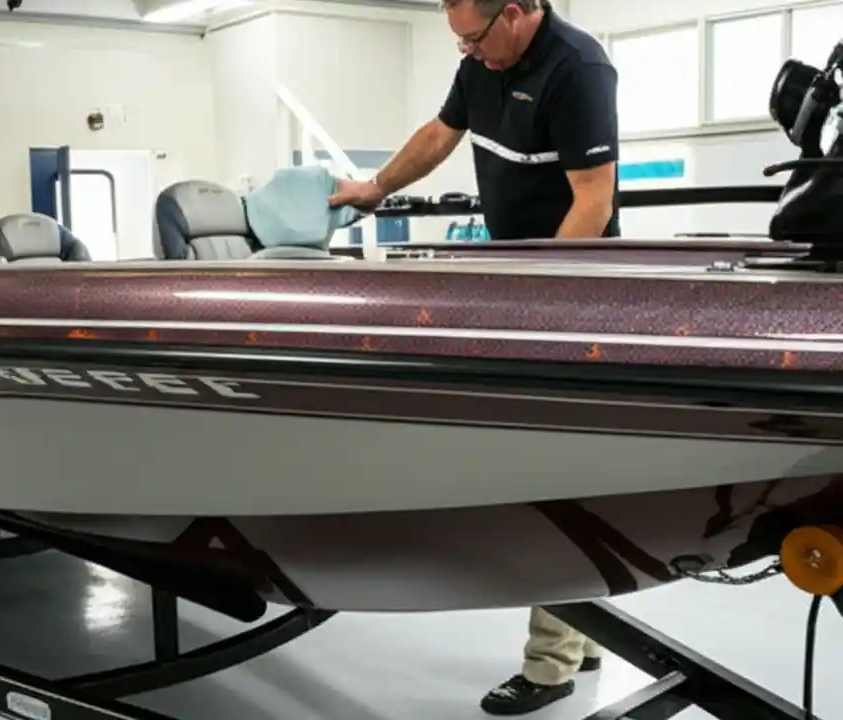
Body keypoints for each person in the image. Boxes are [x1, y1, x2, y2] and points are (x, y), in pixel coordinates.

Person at [329, 0, 619, 714]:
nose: (467, 51)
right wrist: (378, 187)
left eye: (474, 36)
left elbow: (593, 202)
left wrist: (534, 304)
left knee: (550, 471)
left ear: (518, 11)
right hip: (519, 281)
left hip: (566, 293)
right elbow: (440, 133)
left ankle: (551, 665)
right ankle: (583, 641)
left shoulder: (578, 67)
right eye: (456, 39)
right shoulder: (483, 61)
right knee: (562, 468)